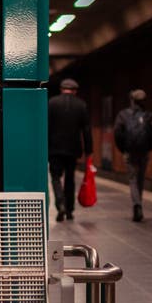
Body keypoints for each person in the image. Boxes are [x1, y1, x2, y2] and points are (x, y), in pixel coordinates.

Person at [48, 78, 93, 222]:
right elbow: (86, 130)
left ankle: (60, 203)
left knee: (55, 177)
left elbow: (45, 127)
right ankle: (69, 209)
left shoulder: (52, 103)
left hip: (54, 148)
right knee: (70, 179)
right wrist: (89, 150)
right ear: (75, 91)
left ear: (62, 89)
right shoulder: (81, 105)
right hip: (72, 149)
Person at [113, 89, 152, 222]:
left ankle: (136, 204)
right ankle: (139, 204)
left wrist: (123, 149)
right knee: (140, 179)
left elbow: (117, 133)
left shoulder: (123, 115)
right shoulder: (148, 115)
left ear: (132, 100)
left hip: (130, 152)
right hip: (144, 151)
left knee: (133, 179)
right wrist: (150, 147)